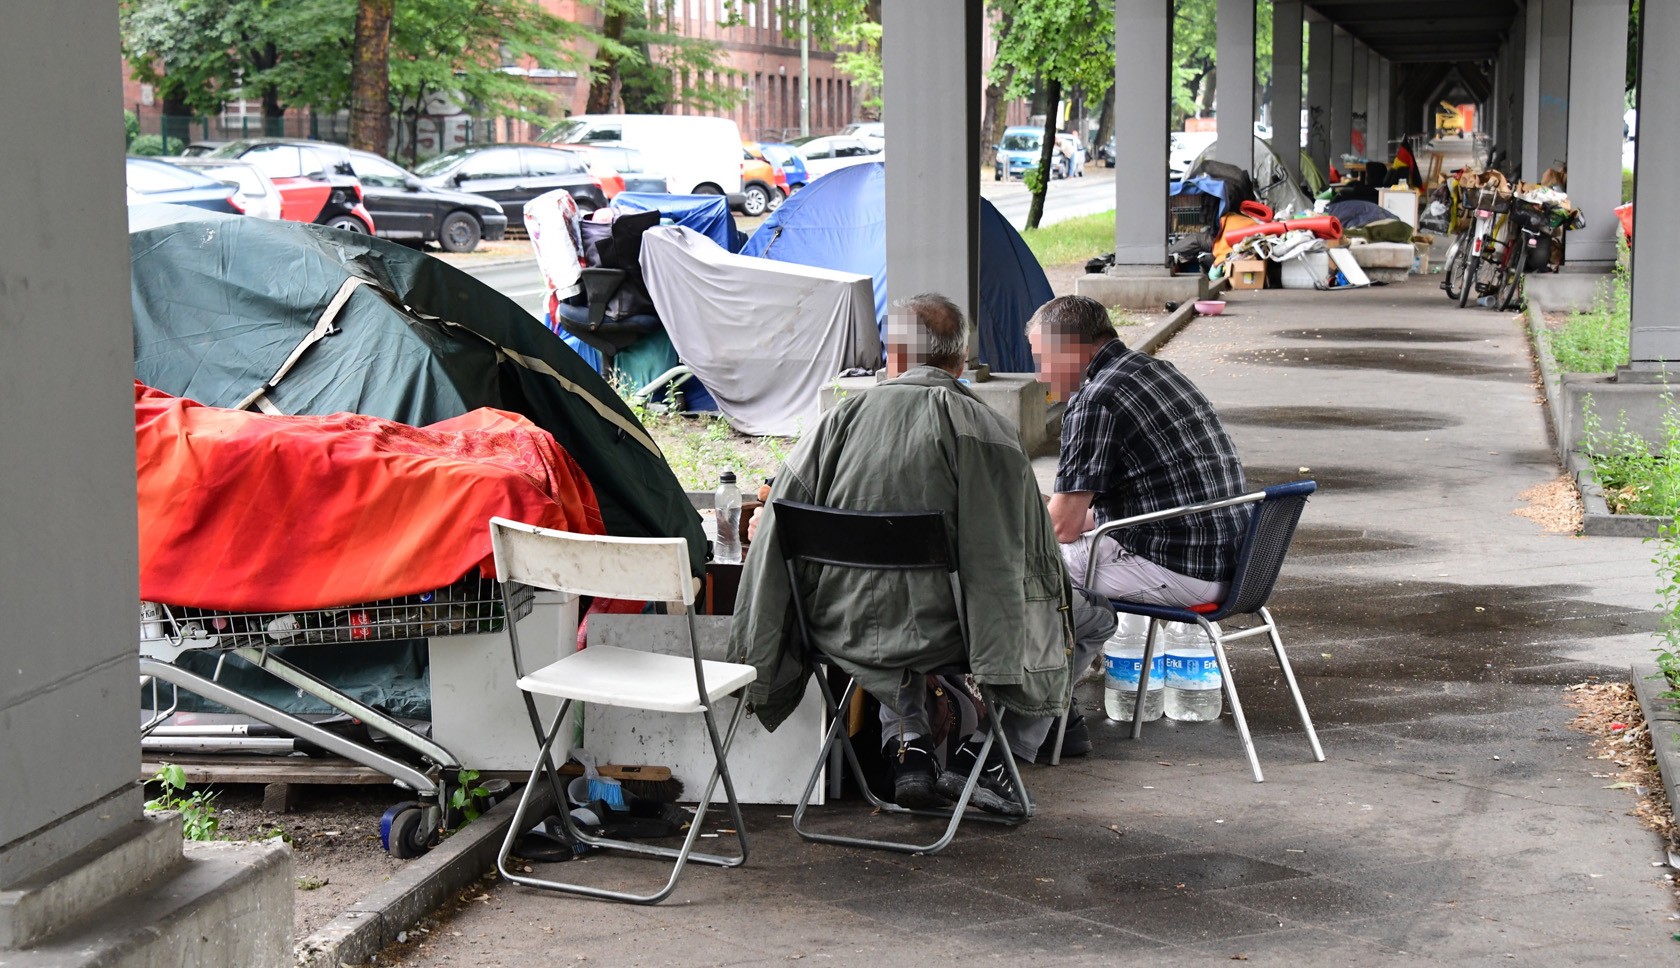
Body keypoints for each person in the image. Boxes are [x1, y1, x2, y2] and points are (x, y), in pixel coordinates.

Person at [730, 293, 1113, 817]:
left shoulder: (833, 425)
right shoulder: (988, 433)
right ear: (961, 362)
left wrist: (762, 646)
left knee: (893, 614)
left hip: (837, 628)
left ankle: (911, 750)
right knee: (1069, 615)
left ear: (893, 356)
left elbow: (775, 528)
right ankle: (989, 756)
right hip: (949, 634)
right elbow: (1027, 560)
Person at [1029, 294, 1249, 609]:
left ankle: (1060, 658)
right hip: (1231, 564)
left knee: (1023, 568)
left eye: (1043, 359)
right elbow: (1139, 501)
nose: (1040, 375)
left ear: (1071, 348)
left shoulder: (1096, 399)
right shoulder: (1156, 370)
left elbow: (1062, 528)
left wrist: (1013, 521)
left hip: (1182, 570)